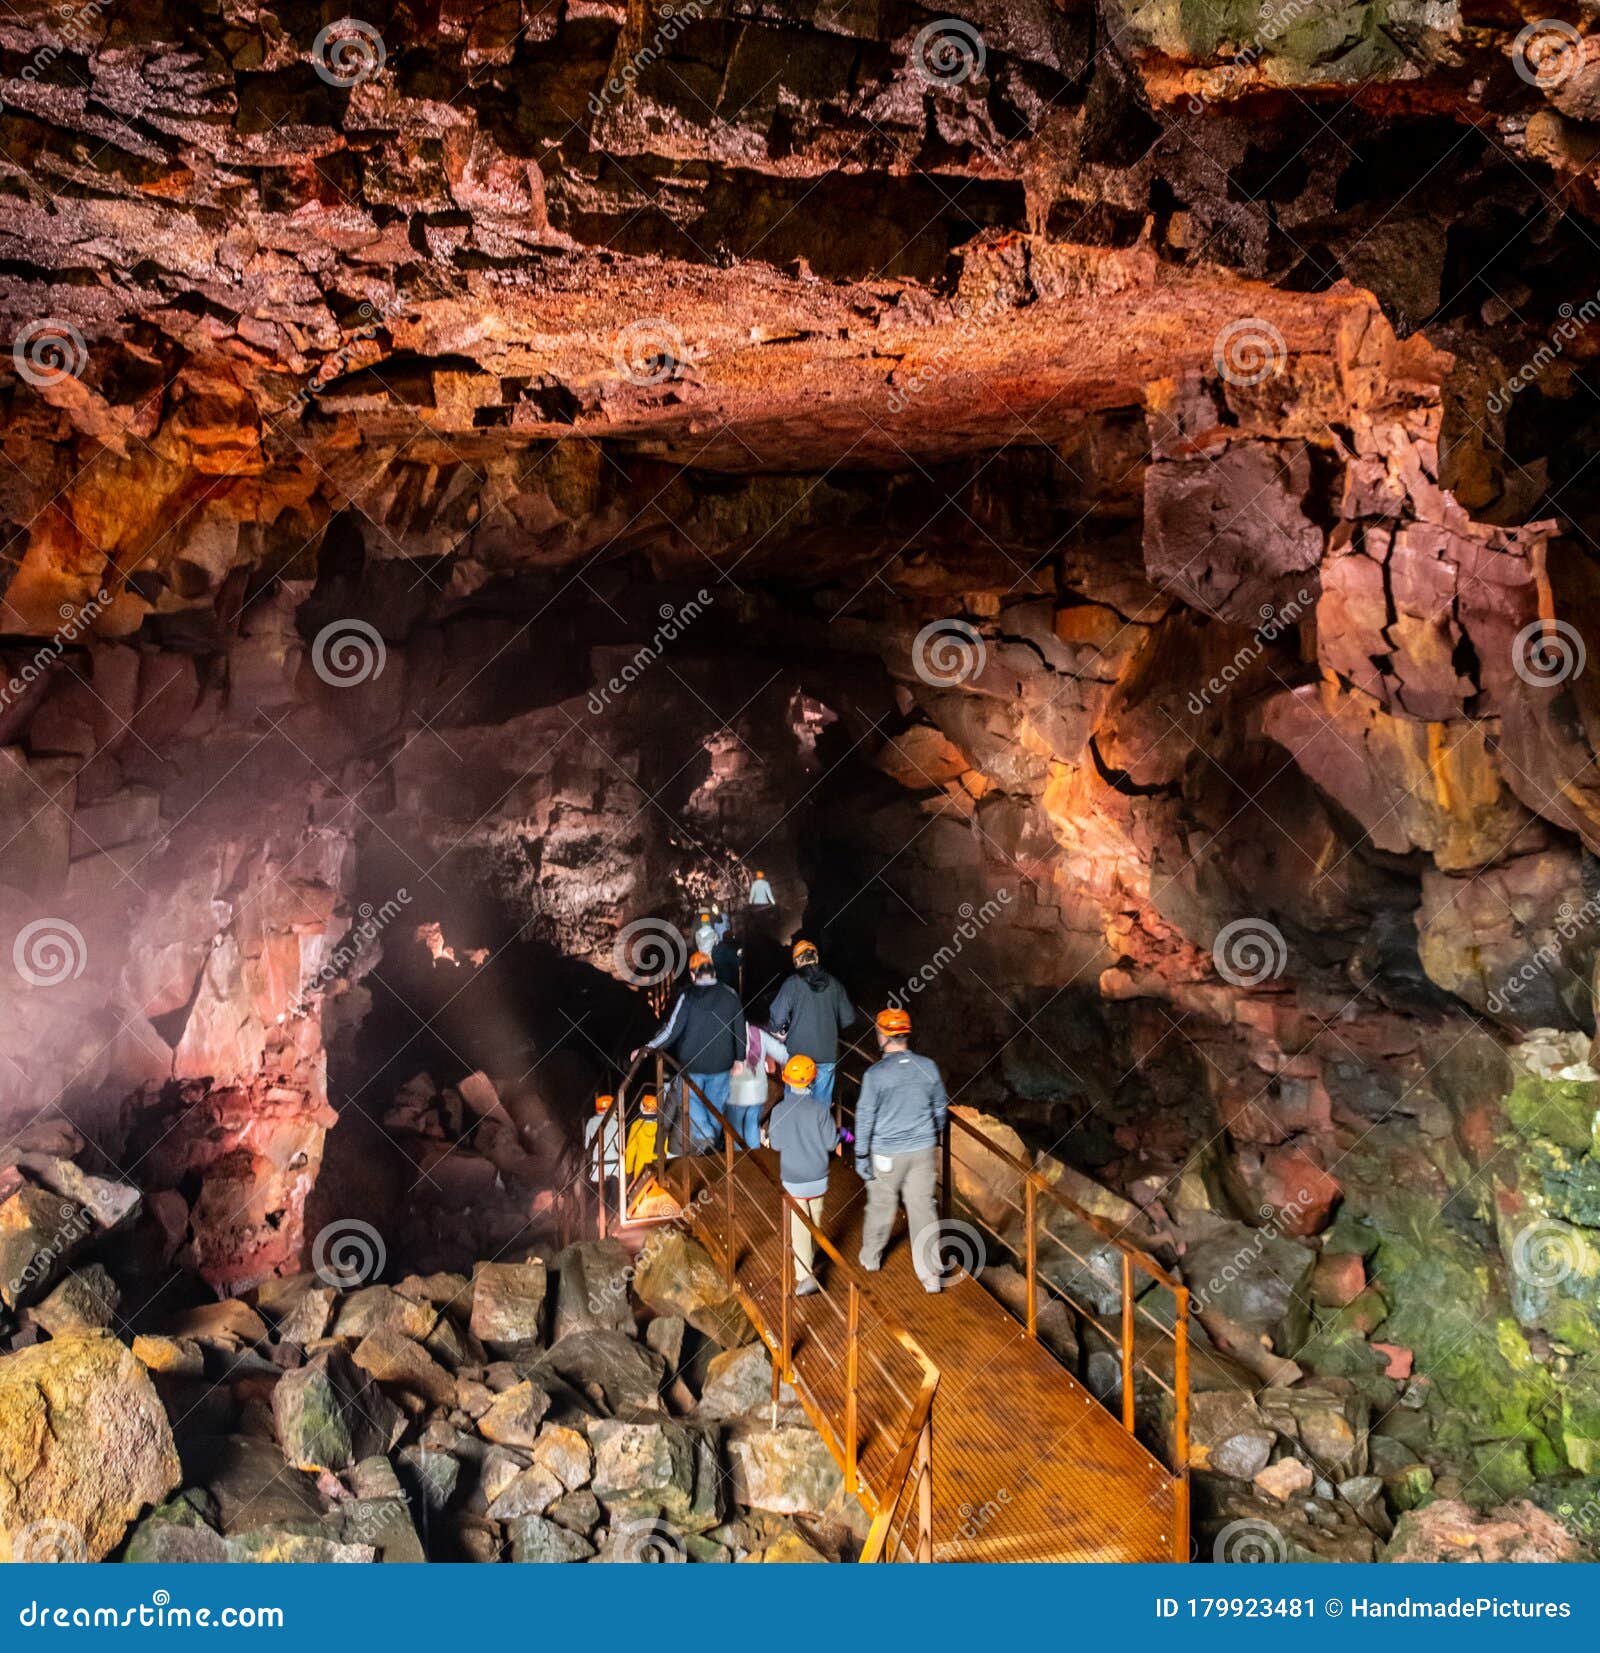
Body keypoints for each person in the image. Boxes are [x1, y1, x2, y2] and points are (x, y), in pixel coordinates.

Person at [855, 1007, 949, 1294]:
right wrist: (932, 1129)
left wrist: (860, 1155)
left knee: (882, 1206)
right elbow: (941, 1109)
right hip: (922, 1150)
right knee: (923, 1207)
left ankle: (871, 1258)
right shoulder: (928, 1067)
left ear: (883, 1035)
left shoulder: (875, 1075)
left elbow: (865, 1117)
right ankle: (931, 1275)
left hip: (887, 1154)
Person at [634, 951, 746, 1151]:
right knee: (715, 1107)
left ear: (693, 975)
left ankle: (705, 1140)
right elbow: (739, 1028)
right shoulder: (730, 994)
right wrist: (740, 1059)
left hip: (692, 1065)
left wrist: (648, 1047)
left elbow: (671, 1030)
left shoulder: (687, 996)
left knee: (691, 1103)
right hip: (721, 1065)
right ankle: (708, 1144)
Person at [762, 1055, 843, 1297]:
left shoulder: (780, 1110)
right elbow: (831, 1143)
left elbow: (775, 1144)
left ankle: (804, 1276)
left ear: (787, 1080)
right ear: (812, 1080)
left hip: (793, 1178)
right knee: (815, 1219)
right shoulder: (820, 1110)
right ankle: (813, 1251)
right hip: (818, 1176)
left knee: (798, 1226)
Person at [768, 939, 855, 1107]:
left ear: (797, 961)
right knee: (821, 1108)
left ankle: (795, 1131)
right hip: (827, 1055)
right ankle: (819, 1132)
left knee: (794, 1106)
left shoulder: (792, 984)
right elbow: (848, 1018)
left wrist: (779, 1029)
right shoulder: (835, 984)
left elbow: (777, 1019)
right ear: (816, 958)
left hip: (798, 1058)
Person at [728, 1020, 787, 1148]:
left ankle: (739, 1161)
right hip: (757, 1090)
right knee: (752, 1124)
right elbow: (782, 1053)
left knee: (736, 1127)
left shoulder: (727, 1034)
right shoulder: (758, 1033)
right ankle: (755, 1157)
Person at [585, 1092, 621, 1187]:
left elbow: (586, 1146)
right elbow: (620, 1147)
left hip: (597, 1167)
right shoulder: (615, 1123)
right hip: (614, 1166)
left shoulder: (590, 1122)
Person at [711, 926, 742, 992]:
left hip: (718, 980)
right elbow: (737, 964)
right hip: (728, 982)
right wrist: (740, 956)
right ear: (731, 939)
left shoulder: (715, 948)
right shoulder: (729, 951)